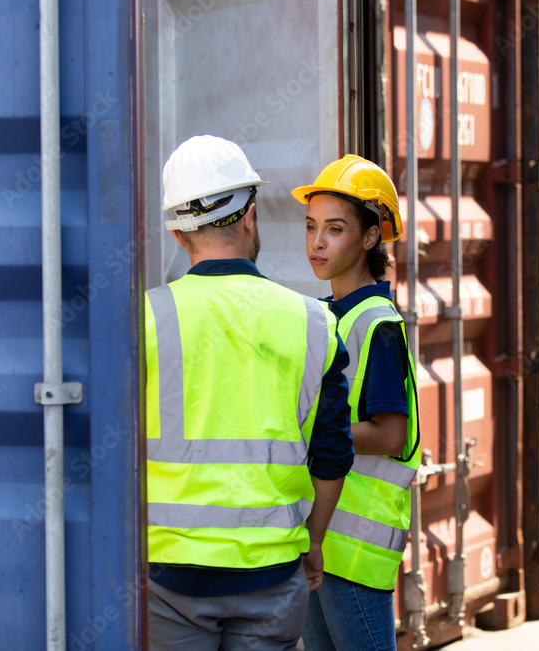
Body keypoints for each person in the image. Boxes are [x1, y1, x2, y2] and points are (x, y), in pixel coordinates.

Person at [144, 135, 354, 651]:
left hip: (171, 576)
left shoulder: (143, 319)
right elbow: (333, 453)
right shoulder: (314, 322)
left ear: (177, 232)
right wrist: (314, 540)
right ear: (251, 217)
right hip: (272, 574)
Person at [291, 155, 421, 651]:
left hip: (355, 550)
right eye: (311, 227)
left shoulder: (377, 323)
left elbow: (392, 435)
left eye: (335, 229)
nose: (317, 243)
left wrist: (305, 432)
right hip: (317, 538)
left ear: (369, 238)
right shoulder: (326, 317)